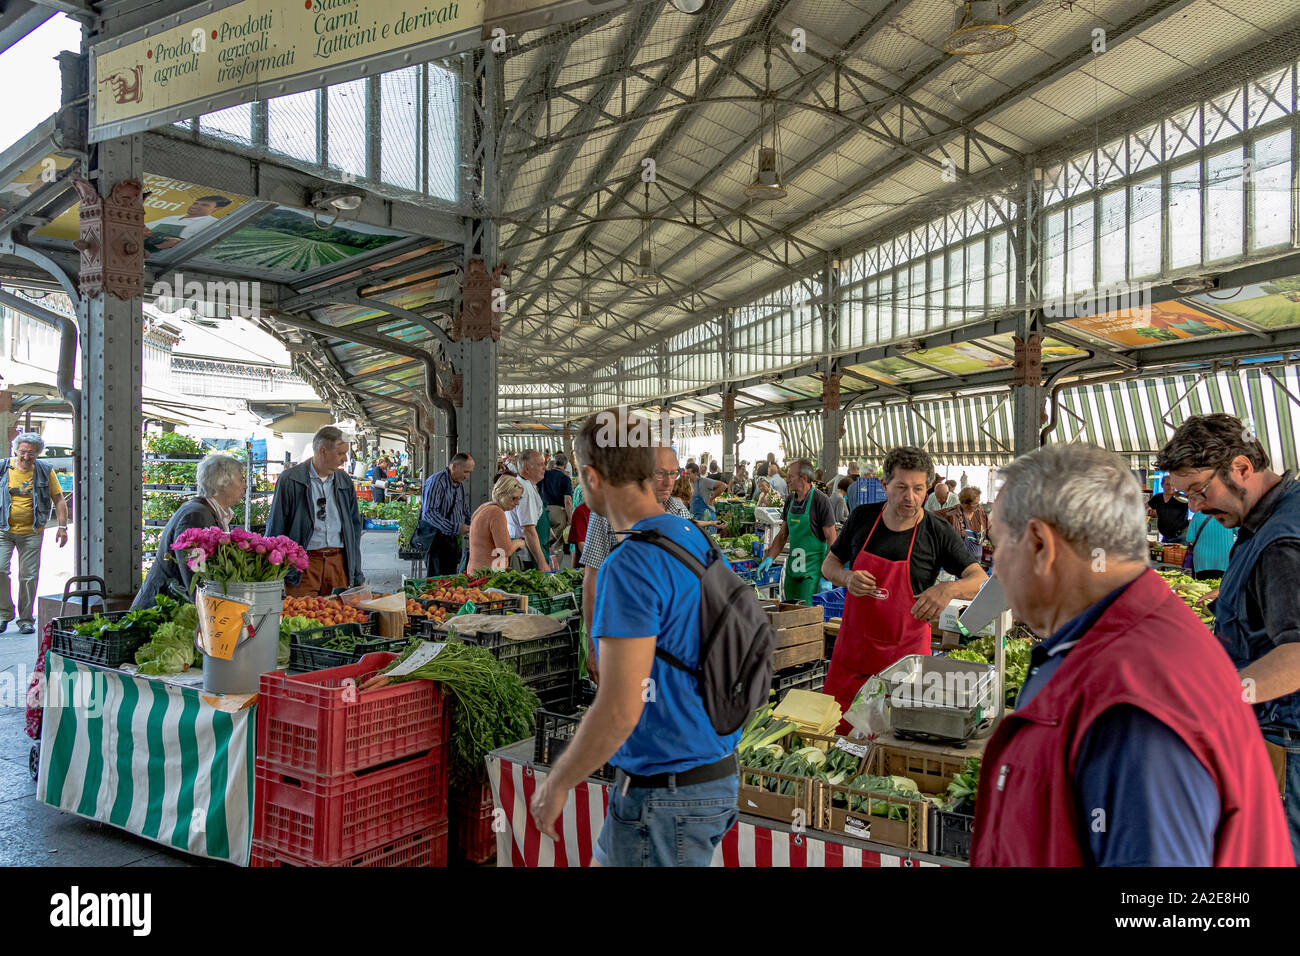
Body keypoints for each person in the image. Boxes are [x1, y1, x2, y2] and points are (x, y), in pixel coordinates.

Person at [970, 442, 1292, 866]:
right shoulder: (1097, 647)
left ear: (1039, 544)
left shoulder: (1135, 703)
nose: (998, 570)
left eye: (998, 546)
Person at [532, 413, 739, 866]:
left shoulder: (629, 563)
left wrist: (559, 781)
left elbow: (620, 706)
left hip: (664, 794)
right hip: (714, 771)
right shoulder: (689, 536)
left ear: (590, 476)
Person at [1158, 414, 1300, 861]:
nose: (1195, 507)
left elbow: (1296, 655)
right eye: (1186, 496)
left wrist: (1217, 698)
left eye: (1200, 490)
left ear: (1241, 468)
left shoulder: (1281, 542)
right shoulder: (1275, 517)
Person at [820, 446, 986, 725]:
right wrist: (847, 578)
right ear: (885, 485)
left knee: (891, 745)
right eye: (901, 487)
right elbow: (829, 565)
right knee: (834, 737)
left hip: (904, 664)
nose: (910, 497)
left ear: (928, 488)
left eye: (919, 489)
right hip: (852, 658)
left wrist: (947, 590)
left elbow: (978, 577)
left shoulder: (936, 531)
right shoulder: (863, 518)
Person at [133, 454, 246, 609]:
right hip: (160, 614)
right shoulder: (196, 516)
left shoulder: (203, 511)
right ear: (223, 483)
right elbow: (195, 575)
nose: (245, 486)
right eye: (241, 479)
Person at [267, 425, 364, 596]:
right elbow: (277, 526)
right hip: (303, 564)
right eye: (340, 454)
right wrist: (274, 571)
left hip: (338, 562)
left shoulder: (344, 481)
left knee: (337, 615)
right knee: (302, 616)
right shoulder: (290, 480)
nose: (345, 459)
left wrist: (356, 571)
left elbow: (354, 527)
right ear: (323, 451)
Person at [0, 433, 69, 633]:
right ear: (16, 450)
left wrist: (63, 527)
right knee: (0, 570)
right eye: (22, 452)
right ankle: (4, 613)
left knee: (28, 576)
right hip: (3, 530)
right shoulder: (4, 467)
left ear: (38, 453)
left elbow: (59, 500)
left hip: (32, 531)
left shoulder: (44, 471)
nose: (26, 456)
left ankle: (26, 619)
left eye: (31, 453)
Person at [759, 459, 837, 604]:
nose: (787, 479)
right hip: (792, 572)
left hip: (812, 574)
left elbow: (831, 539)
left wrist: (826, 576)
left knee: (806, 617)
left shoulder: (820, 501)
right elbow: (782, 535)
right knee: (790, 614)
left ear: (804, 478)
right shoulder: (790, 500)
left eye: (791, 476)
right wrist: (770, 557)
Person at [420, 452, 475, 575]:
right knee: (437, 582)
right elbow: (429, 513)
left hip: (451, 540)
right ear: (454, 466)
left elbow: (463, 509)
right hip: (435, 540)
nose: (467, 476)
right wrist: (455, 527)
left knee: (449, 579)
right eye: (466, 472)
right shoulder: (437, 482)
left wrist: (475, 523)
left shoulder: (458, 484)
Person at [467, 475, 525, 571]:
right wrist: (519, 542)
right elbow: (505, 550)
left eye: (519, 498)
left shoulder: (482, 508)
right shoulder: (497, 512)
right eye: (514, 498)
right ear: (501, 494)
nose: (517, 503)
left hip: (475, 571)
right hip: (489, 574)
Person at [143, 195, 232, 252]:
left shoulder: (211, 222)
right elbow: (144, 228)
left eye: (204, 205)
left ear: (218, 208)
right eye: (195, 203)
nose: (195, 207)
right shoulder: (173, 217)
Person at [508, 449, 550, 570]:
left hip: (529, 550)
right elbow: (528, 530)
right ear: (526, 469)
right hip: (527, 557)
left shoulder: (528, 485)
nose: (544, 468)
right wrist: (542, 563)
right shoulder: (524, 490)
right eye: (540, 464)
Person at [1184, 508, 1236, 580]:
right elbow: (1241, 533)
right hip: (1225, 558)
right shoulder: (1230, 515)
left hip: (1202, 559)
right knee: (1222, 588)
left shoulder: (1198, 514)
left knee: (1203, 588)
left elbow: (1190, 538)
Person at [938, 487, 988, 562]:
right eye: (975, 504)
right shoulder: (953, 515)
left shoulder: (980, 513)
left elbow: (989, 529)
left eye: (979, 502)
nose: (978, 506)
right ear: (965, 504)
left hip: (977, 562)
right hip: (960, 562)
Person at [539, 454, 575, 552]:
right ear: (565, 465)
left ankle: (542, 563)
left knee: (542, 541)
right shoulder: (565, 478)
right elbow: (567, 501)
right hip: (558, 512)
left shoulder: (544, 474)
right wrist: (570, 518)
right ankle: (554, 566)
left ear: (554, 462)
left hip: (543, 511)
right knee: (557, 545)